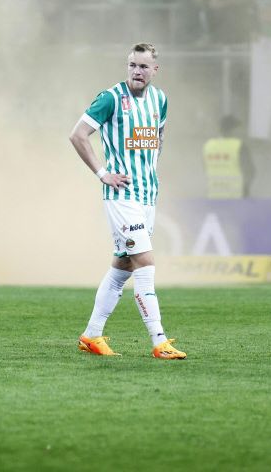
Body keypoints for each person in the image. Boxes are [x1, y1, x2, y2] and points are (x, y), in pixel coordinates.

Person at [68, 42, 186, 360]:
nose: (137, 71)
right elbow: (78, 135)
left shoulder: (160, 100)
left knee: (122, 265)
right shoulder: (110, 98)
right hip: (121, 197)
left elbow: (159, 137)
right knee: (144, 264)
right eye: (132, 65)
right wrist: (103, 173)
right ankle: (159, 341)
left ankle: (91, 335)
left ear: (155, 70)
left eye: (143, 66)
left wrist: (150, 167)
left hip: (148, 195)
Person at [203, 115, 255, 199]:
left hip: (213, 196)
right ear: (233, 130)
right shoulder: (239, 146)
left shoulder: (208, 146)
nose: (243, 133)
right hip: (235, 197)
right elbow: (249, 172)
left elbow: (205, 169)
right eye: (240, 130)